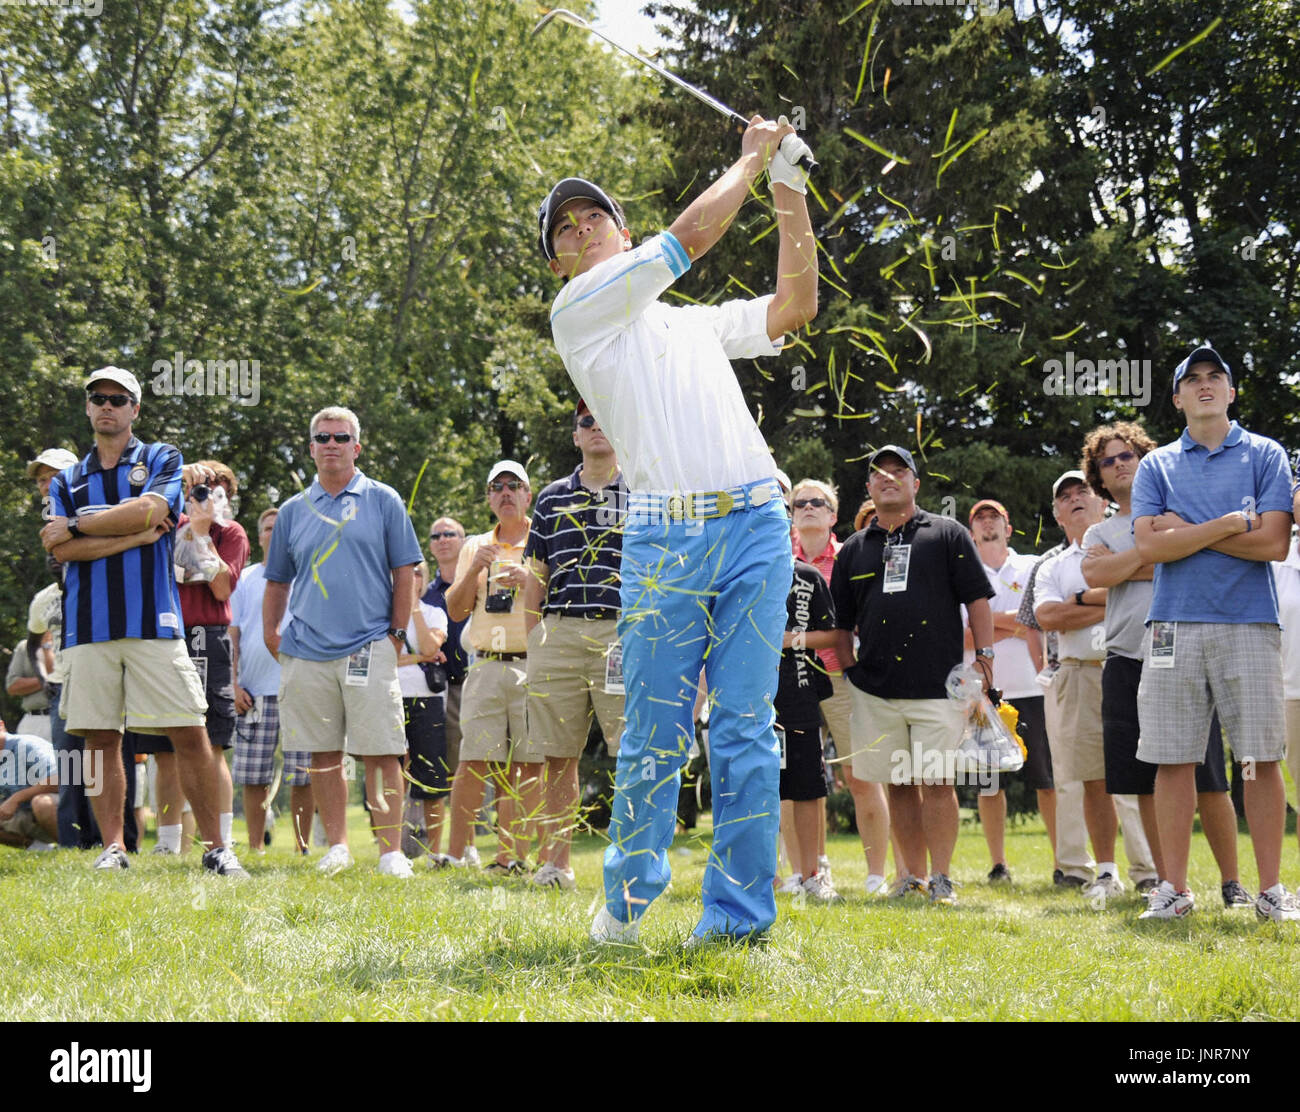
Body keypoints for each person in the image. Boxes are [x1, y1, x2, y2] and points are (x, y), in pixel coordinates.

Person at [542, 113, 818, 944]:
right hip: (664, 540)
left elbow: (795, 304)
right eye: (565, 228)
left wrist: (789, 192)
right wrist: (748, 160)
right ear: (560, 263)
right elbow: (691, 236)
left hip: (757, 528)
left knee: (743, 727)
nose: (582, 229)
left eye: (594, 217)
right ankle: (626, 906)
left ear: (619, 231)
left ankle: (736, 923)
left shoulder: (693, 326)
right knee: (655, 734)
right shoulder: (579, 311)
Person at [40, 366, 242, 875]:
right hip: (88, 627)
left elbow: (153, 510)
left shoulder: (161, 457)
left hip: (156, 621)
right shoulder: (66, 479)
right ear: (88, 407)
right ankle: (114, 849)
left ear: (134, 408)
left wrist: (85, 525)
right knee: (101, 738)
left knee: (190, 731)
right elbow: (61, 548)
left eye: (118, 398)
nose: (107, 405)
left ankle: (216, 849)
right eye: (98, 397)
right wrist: (130, 535)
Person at [1131, 346, 1298, 920]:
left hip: (1249, 623)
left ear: (1231, 393)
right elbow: (1150, 547)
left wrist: (1193, 531)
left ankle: (1272, 891)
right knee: (1172, 759)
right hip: (1172, 625)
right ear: (1177, 398)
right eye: (1192, 380)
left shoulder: (1265, 454)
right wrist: (1230, 526)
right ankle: (1174, 890)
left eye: (1215, 378)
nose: (1205, 385)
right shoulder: (1155, 465)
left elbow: (1273, 543)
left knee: (1257, 759)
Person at [1080, 423, 1249, 908]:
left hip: (1186, 654)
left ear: (1147, 459)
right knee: (1145, 779)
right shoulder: (1097, 531)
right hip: (1125, 659)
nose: (1120, 464)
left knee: (1210, 776)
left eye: (1128, 454)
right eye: (1109, 461)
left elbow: (1193, 559)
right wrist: (1154, 553)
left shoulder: (1180, 513)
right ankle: (1169, 884)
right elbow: (1095, 574)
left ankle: (1232, 883)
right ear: (1100, 478)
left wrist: (1128, 562)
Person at [830, 445, 995, 906]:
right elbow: (840, 623)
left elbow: (978, 601)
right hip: (875, 691)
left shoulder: (947, 534)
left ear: (915, 484)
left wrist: (985, 659)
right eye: (879, 473)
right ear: (868, 487)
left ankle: (942, 879)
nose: (888, 478)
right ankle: (912, 878)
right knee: (900, 784)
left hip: (938, 686)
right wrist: (849, 674)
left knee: (938, 782)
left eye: (899, 471)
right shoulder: (854, 550)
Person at [263, 405, 423, 878]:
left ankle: (391, 853)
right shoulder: (293, 510)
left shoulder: (383, 499)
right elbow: (276, 582)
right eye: (322, 437)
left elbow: (405, 572)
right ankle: (338, 847)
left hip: (369, 643)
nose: (331, 444)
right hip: (307, 649)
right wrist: (273, 636)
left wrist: (396, 634)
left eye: (341, 437)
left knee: (381, 750)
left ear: (357, 446)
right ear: (311, 448)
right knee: (322, 753)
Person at [522, 401, 627, 890]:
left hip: (623, 632)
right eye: (588, 421)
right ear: (576, 436)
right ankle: (556, 864)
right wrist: (533, 634)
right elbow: (535, 573)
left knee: (631, 751)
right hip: (559, 630)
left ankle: (633, 862)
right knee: (556, 755)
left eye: (606, 417)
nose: (598, 426)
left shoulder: (644, 490)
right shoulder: (549, 497)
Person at [141, 459, 248, 855]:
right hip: (165, 634)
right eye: (196, 489)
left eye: (213, 489)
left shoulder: (232, 533)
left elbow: (221, 589)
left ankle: (220, 840)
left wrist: (202, 534)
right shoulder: (164, 527)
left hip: (208, 635)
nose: (204, 496)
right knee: (166, 747)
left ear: (227, 495)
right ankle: (168, 843)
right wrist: (184, 527)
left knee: (212, 743)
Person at [791, 479, 890, 894]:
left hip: (844, 677)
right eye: (800, 503)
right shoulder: (777, 559)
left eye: (820, 503)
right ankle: (813, 872)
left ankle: (875, 876)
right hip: (792, 682)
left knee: (862, 775)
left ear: (833, 515)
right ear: (791, 514)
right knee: (802, 780)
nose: (809, 507)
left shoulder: (850, 556)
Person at [443, 461, 541, 872]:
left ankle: (512, 858)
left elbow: (564, 603)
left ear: (527, 495)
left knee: (528, 765)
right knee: (473, 762)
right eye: (496, 486)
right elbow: (455, 608)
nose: (505, 493)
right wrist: (476, 570)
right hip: (484, 664)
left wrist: (531, 579)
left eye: (513, 485)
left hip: (532, 663)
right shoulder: (475, 546)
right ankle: (455, 854)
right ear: (488, 498)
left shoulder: (543, 539)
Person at [963, 498, 1053, 885]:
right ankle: (999, 864)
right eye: (979, 518)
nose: (987, 523)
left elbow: (1042, 621)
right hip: (985, 693)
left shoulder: (1032, 566)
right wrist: (1012, 623)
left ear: (1008, 527)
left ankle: (1062, 861)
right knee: (989, 782)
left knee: (1046, 779)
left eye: (994, 517)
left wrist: (990, 625)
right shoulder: (963, 571)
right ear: (971, 533)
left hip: (1034, 688)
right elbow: (963, 636)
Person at [230, 506, 314, 853]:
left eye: (280, 528)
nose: (273, 532)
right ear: (259, 536)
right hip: (253, 689)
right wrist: (232, 683)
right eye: (267, 528)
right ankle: (255, 847)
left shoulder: (308, 575)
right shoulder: (245, 579)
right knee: (254, 777)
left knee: (304, 775)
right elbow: (232, 634)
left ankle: (301, 846)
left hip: (301, 687)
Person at [776, 556, 840, 902]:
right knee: (759, 787)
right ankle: (762, 876)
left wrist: (792, 639)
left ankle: (811, 874)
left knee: (806, 787)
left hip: (799, 695)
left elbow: (832, 634)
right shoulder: (739, 567)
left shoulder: (807, 576)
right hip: (751, 696)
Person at [421, 516, 474, 862]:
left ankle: (482, 847)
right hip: (444, 688)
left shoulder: (480, 582)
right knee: (452, 769)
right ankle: (459, 847)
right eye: (435, 535)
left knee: (481, 766)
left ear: (463, 540)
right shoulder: (426, 594)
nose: (442, 539)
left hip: (480, 679)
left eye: (449, 534)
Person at [396, 561, 448, 862]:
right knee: (393, 773)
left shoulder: (433, 612)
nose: (413, 576)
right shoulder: (385, 611)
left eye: (419, 572)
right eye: (408, 571)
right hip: (391, 697)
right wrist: (420, 656)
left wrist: (414, 608)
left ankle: (434, 852)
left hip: (427, 700)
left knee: (432, 778)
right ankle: (391, 849)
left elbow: (432, 646)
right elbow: (387, 658)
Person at [0, 718, 58, 848]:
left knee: (41, 803)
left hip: (65, 808)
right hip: (28, 813)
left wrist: (16, 798)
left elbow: (60, 779)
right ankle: (40, 848)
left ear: (1, 725)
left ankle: (71, 845)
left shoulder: (27, 744)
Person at [6, 634, 52, 740]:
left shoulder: (72, 645)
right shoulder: (24, 646)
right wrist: (48, 677)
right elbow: (12, 686)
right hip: (32, 722)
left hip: (65, 721)